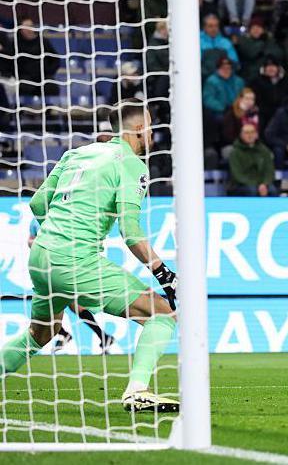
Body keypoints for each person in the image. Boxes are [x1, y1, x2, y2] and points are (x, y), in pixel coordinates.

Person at [0, 104, 179, 412]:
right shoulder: (132, 165)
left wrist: (57, 234)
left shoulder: (77, 154)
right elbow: (131, 231)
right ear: (138, 130)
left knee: (40, 334)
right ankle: (137, 390)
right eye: (149, 126)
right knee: (161, 314)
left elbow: (39, 203)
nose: (151, 133)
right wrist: (164, 274)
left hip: (42, 254)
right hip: (75, 257)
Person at [28, 219, 115, 355]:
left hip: (63, 267)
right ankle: (102, 337)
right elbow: (30, 240)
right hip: (46, 268)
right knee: (71, 306)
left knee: (61, 305)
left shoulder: (62, 217)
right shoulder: (35, 221)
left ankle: (67, 335)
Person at [227, 123, 276, 197]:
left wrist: (264, 184)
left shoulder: (264, 150)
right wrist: (257, 185)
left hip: (262, 184)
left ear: (256, 134)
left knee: (273, 190)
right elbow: (237, 175)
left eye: (252, 132)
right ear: (241, 135)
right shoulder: (235, 153)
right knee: (252, 190)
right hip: (241, 185)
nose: (250, 135)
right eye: (246, 133)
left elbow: (269, 171)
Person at [249, 57, 288, 129]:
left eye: (273, 66)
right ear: (264, 68)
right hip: (263, 114)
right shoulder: (256, 82)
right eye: (268, 66)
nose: (271, 69)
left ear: (278, 68)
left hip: (283, 113)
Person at [236, 18, 284, 82]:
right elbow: (251, 53)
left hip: (268, 76)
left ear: (263, 30)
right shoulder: (244, 41)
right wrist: (262, 42)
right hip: (250, 76)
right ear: (250, 30)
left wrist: (264, 51)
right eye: (253, 28)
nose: (256, 30)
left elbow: (279, 54)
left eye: (258, 28)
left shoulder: (270, 40)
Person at [202, 56, 245, 123]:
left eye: (228, 68)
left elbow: (245, 95)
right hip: (220, 113)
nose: (226, 70)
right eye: (223, 68)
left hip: (237, 110)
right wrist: (223, 108)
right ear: (218, 69)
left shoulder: (239, 81)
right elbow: (208, 99)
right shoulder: (211, 81)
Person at [221, 87, 260, 152]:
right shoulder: (231, 113)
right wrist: (244, 141)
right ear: (240, 99)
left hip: (254, 144)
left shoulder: (256, 114)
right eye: (247, 99)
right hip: (235, 144)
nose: (250, 101)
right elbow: (228, 135)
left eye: (252, 99)